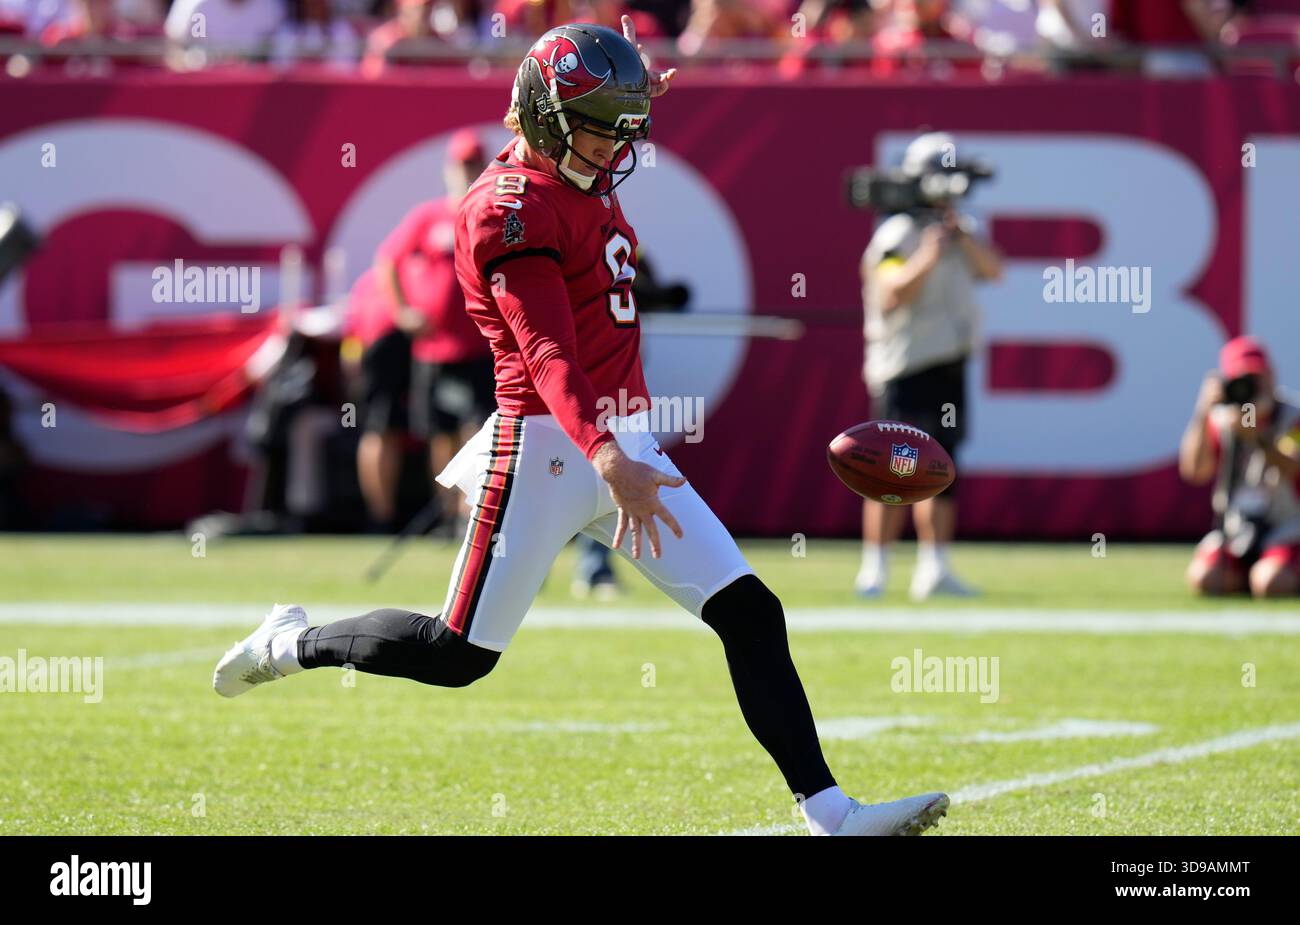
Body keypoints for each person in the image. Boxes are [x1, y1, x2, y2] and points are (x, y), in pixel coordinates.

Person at [214, 17, 949, 837]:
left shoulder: (575, 169)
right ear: (545, 120)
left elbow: (588, 155)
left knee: (750, 611)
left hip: (622, 441)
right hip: (547, 450)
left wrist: (626, 96)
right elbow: (547, 353)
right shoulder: (505, 208)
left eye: (623, 131)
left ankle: (831, 813)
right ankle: (292, 641)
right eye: (599, 131)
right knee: (457, 655)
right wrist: (605, 454)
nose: (613, 150)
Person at [857, 131, 1002, 601]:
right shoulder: (898, 232)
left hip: (950, 362)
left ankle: (934, 566)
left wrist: (958, 236)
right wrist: (928, 254)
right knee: (892, 469)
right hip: (906, 365)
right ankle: (875, 568)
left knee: (942, 467)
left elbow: (994, 270)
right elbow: (889, 292)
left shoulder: (963, 228)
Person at [375, 129, 494, 531]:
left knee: (479, 432)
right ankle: (447, 512)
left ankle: (473, 512)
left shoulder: (492, 212)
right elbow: (387, 261)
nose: (467, 172)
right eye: (461, 165)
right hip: (434, 350)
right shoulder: (428, 217)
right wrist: (403, 311)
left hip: (480, 347)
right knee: (439, 433)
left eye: (474, 163)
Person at [1180, 336, 1300, 598]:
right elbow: (1195, 471)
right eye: (1243, 379)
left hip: (1287, 525)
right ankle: (1250, 574)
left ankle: (1270, 573)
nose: (1252, 387)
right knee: (1206, 579)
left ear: (1271, 375)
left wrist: (1257, 437)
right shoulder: (1220, 419)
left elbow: (1293, 467)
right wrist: (1203, 410)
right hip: (1237, 527)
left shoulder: (1293, 416)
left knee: (1271, 583)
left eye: (1258, 377)